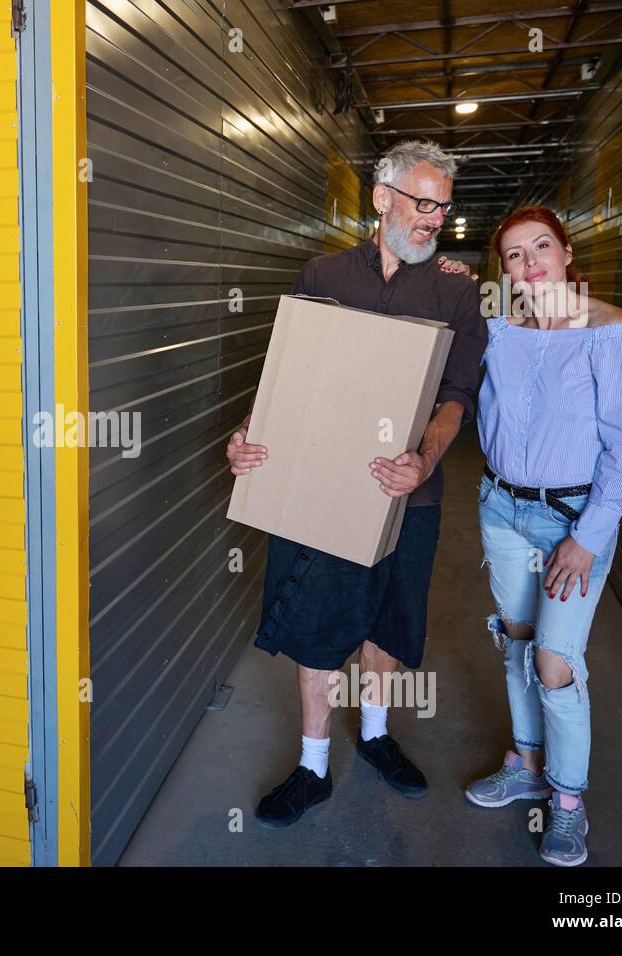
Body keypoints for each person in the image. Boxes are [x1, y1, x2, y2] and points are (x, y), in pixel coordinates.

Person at [226, 139, 487, 828]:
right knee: (317, 629)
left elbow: (457, 395)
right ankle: (312, 766)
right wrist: (249, 435)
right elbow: (291, 372)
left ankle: (374, 735)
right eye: (422, 203)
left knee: (391, 627)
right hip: (321, 491)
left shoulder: (457, 292)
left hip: (412, 493)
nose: (435, 219)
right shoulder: (322, 273)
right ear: (382, 199)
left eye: (443, 208)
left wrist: (425, 461)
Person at [446, 205, 622, 866]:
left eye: (540, 246)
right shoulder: (500, 331)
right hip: (502, 510)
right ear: (502, 270)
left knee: (555, 664)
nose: (529, 262)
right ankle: (527, 766)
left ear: (565, 252)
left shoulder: (612, 333)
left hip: (573, 521)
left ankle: (567, 802)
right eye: (512, 254)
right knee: (519, 645)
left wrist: (587, 538)